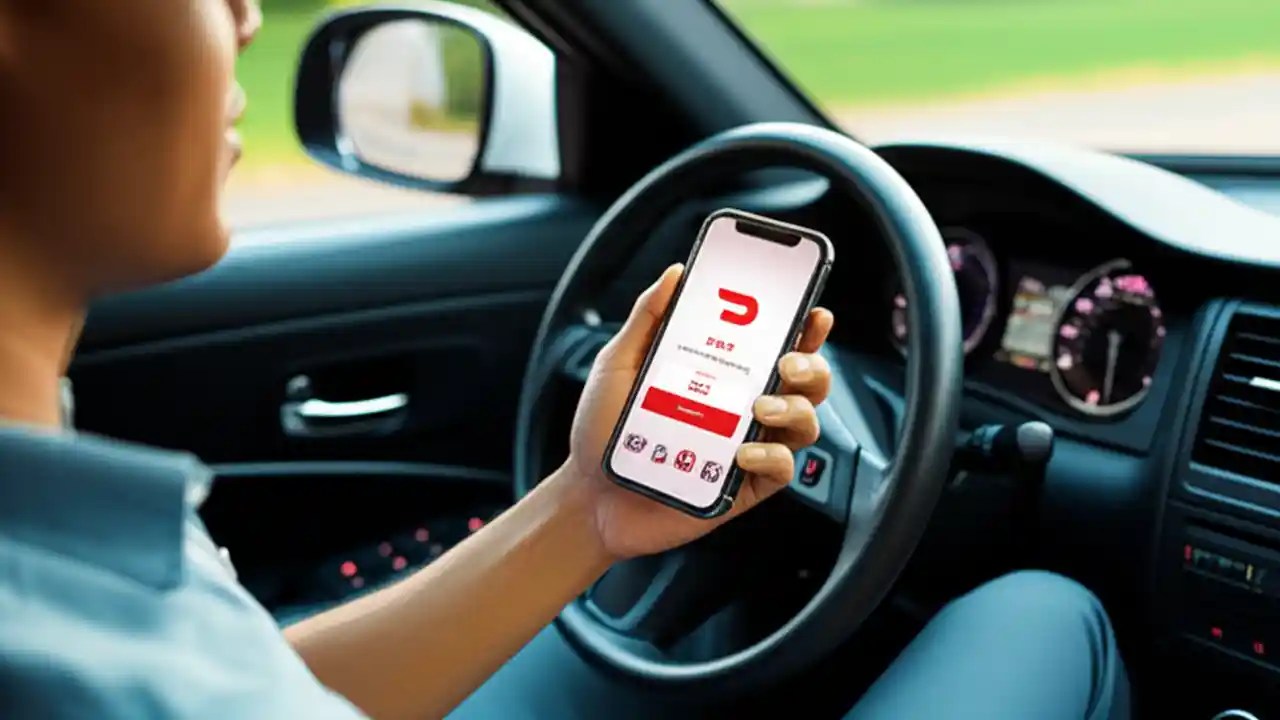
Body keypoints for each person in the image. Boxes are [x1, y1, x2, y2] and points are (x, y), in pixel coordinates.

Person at [0, 1, 1129, 718]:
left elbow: (250, 691)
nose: (247, 14)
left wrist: (587, 510)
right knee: (1041, 616)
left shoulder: (54, 528)